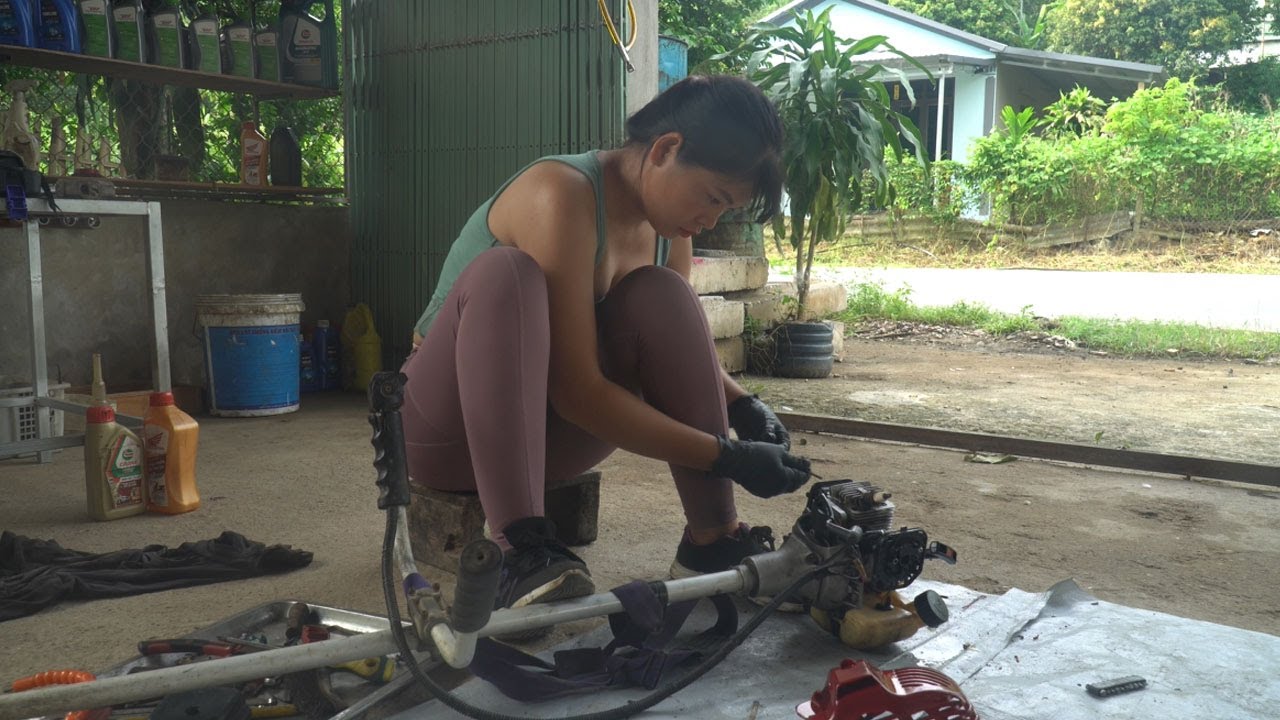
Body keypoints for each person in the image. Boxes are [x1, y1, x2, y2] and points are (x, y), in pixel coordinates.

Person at [401, 75, 812, 636]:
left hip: (549, 441)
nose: (712, 219)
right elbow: (578, 391)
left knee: (663, 295)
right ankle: (521, 551)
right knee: (507, 275)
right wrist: (726, 457)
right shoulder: (560, 191)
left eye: (727, 209)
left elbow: (671, 348)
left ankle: (713, 540)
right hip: (444, 434)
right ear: (666, 150)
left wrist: (743, 406)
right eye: (713, 197)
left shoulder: (670, 226)